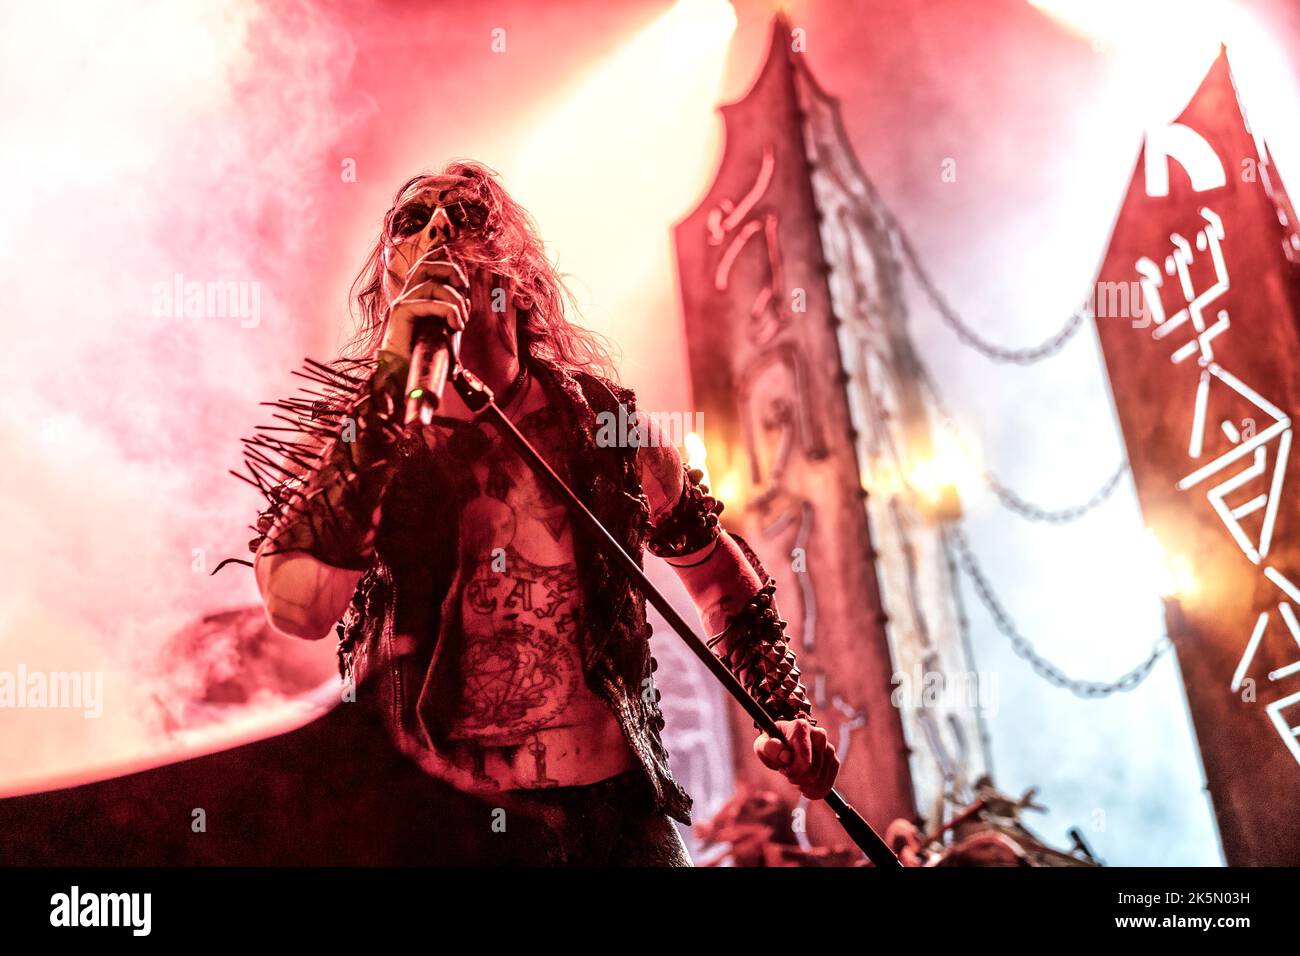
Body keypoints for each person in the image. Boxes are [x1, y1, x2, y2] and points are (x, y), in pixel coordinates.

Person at [238, 160, 838, 864]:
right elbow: (300, 608)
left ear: (517, 269)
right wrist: (393, 390)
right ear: (389, 276)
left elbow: (719, 581)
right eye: (411, 222)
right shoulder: (356, 435)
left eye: (463, 216)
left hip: (615, 822)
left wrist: (786, 716)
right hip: (443, 828)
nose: (436, 230)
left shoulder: (605, 427)